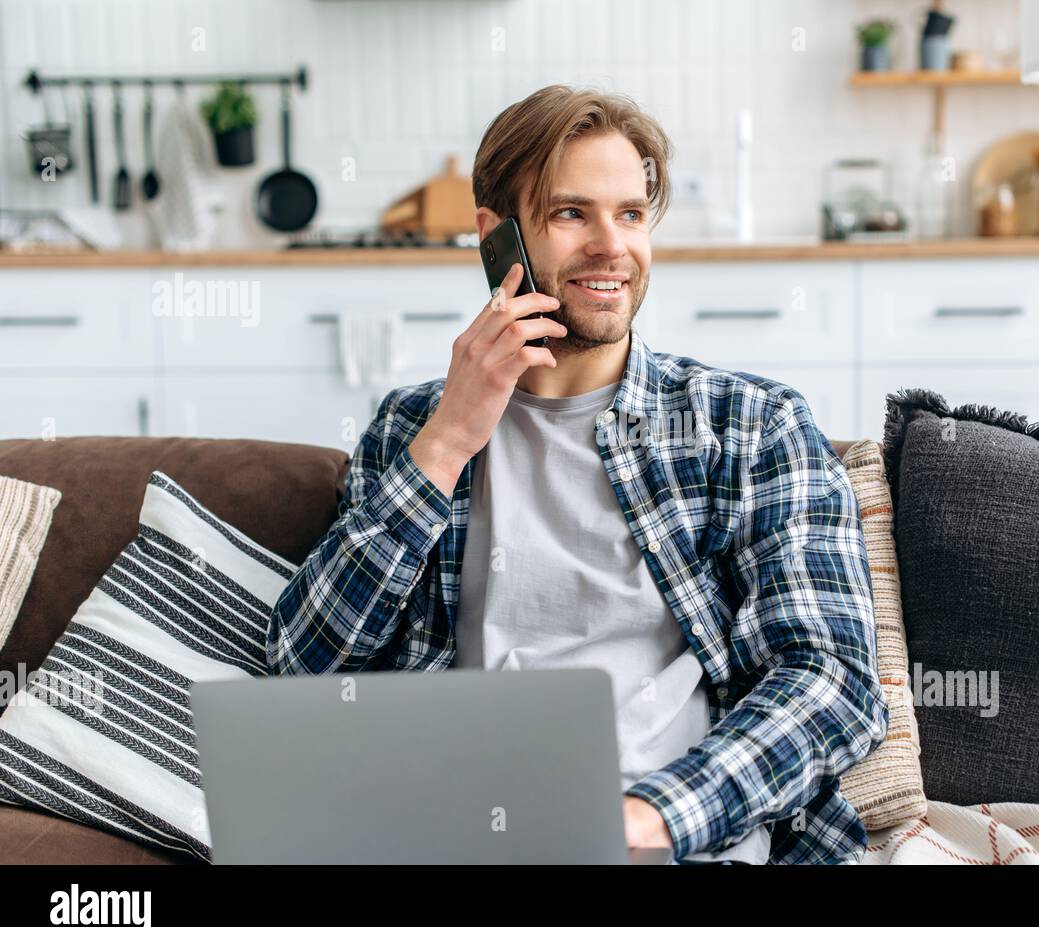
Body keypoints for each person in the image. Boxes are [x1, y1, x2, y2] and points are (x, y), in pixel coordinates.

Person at [267, 84, 888, 865]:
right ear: (498, 239)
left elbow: (832, 684)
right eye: (572, 214)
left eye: (630, 215)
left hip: (671, 838)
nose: (611, 246)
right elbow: (303, 666)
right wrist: (448, 443)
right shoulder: (411, 431)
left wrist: (647, 819)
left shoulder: (749, 426)